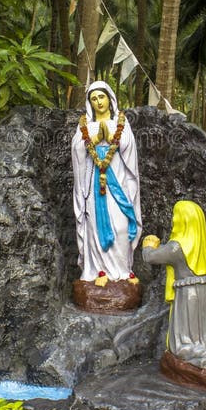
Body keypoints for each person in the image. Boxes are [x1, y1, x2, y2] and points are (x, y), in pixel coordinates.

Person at [72, 81, 141, 285]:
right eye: (94, 99)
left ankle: (122, 269)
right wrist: (94, 139)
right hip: (94, 182)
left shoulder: (121, 122)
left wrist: (111, 137)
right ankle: (98, 271)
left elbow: (129, 147)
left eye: (101, 97)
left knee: (120, 224)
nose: (98, 102)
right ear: (90, 103)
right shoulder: (85, 125)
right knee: (94, 224)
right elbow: (77, 150)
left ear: (110, 99)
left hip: (118, 181)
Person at [142, 201, 206, 369]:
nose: (173, 220)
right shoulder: (200, 244)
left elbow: (150, 257)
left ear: (183, 220)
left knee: (186, 333)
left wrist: (148, 245)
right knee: (205, 331)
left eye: (175, 216)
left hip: (189, 290)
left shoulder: (177, 247)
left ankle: (197, 355)